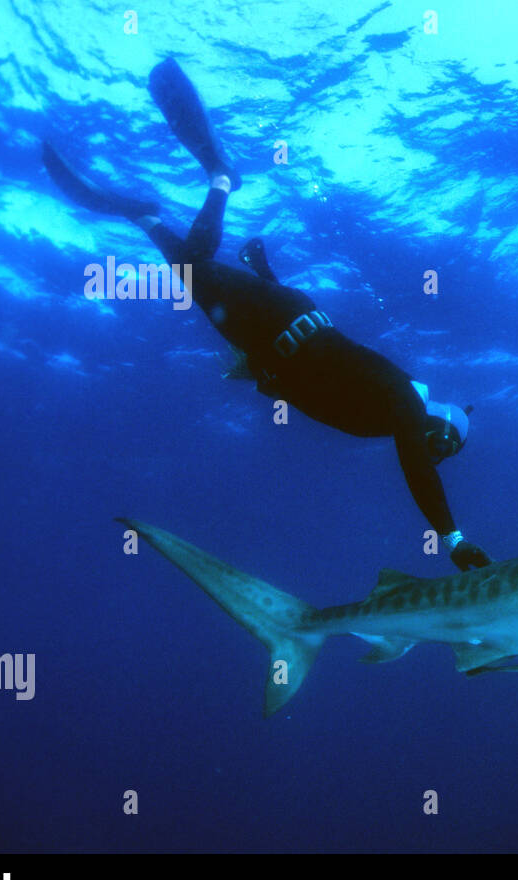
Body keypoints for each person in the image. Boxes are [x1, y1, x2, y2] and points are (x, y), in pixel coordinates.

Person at [43, 58, 491, 572]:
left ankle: (152, 213)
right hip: (280, 321)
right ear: (438, 419)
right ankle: (216, 180)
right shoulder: (409, 402)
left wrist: (263, 280)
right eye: (445, 441)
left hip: (271, 334)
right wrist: (452, 539)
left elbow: (327, 371)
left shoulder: (385, 422)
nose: (436, 451)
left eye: (445, 453)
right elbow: (416, 466)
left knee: (191, 272)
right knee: (192, 267)